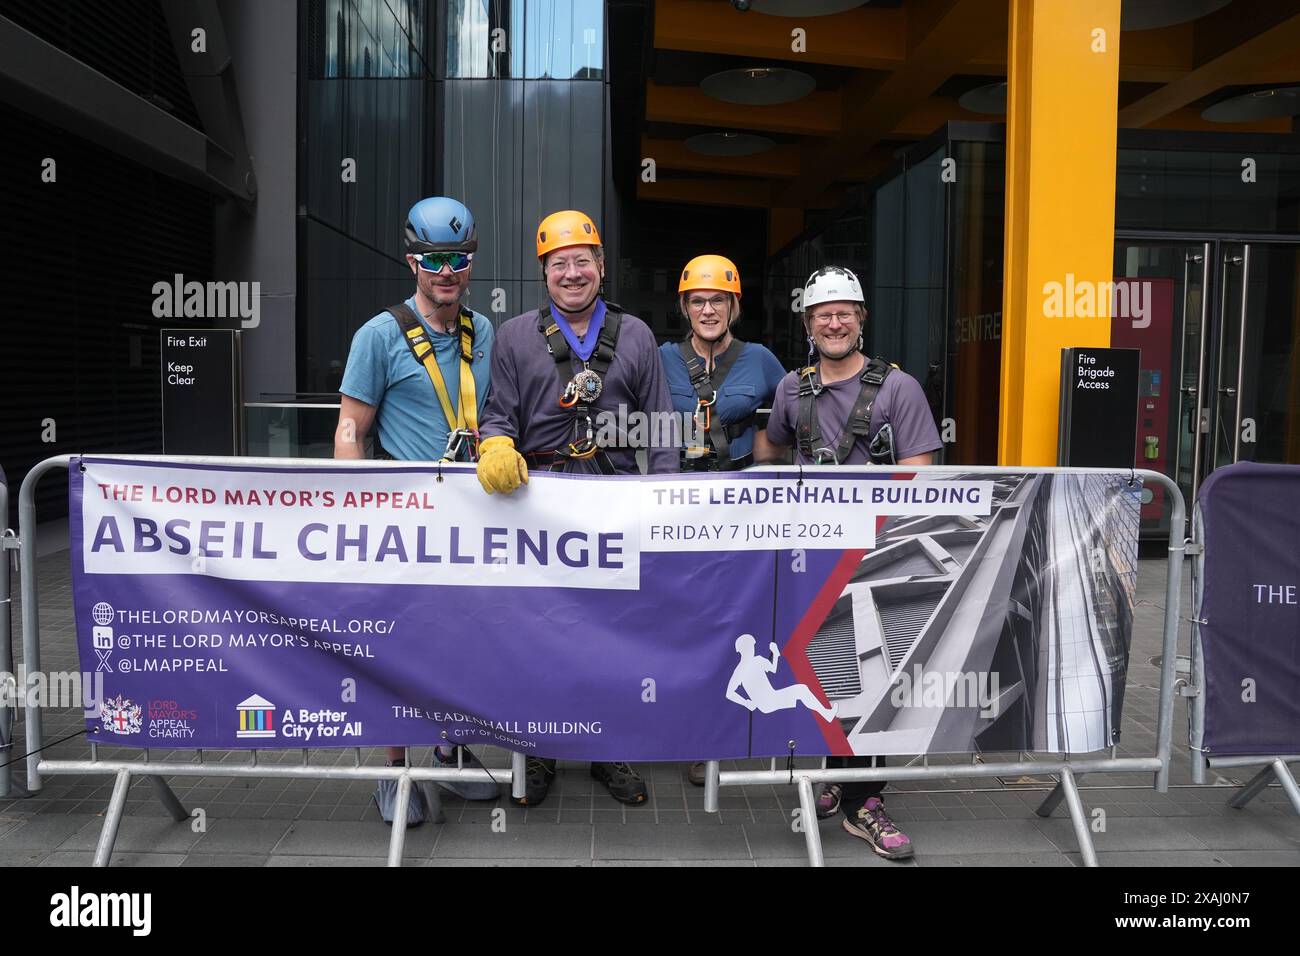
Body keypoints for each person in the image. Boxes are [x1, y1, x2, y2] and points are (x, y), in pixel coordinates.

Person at [474, 209, 676, 807]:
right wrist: (497, 442)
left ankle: (607, 748)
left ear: (602, 266)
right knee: (538, 630)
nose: (571, 272)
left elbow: (662, 425)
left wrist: (661, 497)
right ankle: (537, 752)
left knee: (610, 630)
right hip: (540, 503)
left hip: (612, 499)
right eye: (558, 263)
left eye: (581, 260)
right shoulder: (513, 336)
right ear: (544, 272)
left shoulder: (635, 334)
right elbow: (496, 413)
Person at [755, 264, 942, 861]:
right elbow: (770, 449)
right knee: (827, 671)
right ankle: (838, 774)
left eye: (844, 313)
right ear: (809, 323)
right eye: (822, 314)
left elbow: (922, 471)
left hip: (877, 553)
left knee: (874, 671)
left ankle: (866, 799)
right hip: (816, 555)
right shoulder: (792, 389)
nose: (833, 323)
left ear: (861, 320)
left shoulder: (898, 389)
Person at [334, 196, 499, 825]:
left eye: (459, 258)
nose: (447, 271)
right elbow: (351, 428)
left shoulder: (480, 332)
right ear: (413, 262)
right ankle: (393, 770)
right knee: (396, 646)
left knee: (460, 642)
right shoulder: (378, 336)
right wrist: (355, 511)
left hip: (469, 516)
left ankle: (449, 755)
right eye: (434, 260)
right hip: (404, 519)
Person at [658, 254, 785, 787]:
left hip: (738, 508)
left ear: (735, 304)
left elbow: (791, 419)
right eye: (698, 301)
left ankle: (714, 732)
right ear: (685, 306)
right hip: (677, 504)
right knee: (681, 619)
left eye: (718, 300)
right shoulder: (662, 357)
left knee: (730, 621)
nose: (707, 309)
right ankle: (681, 725)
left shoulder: (760, 360)